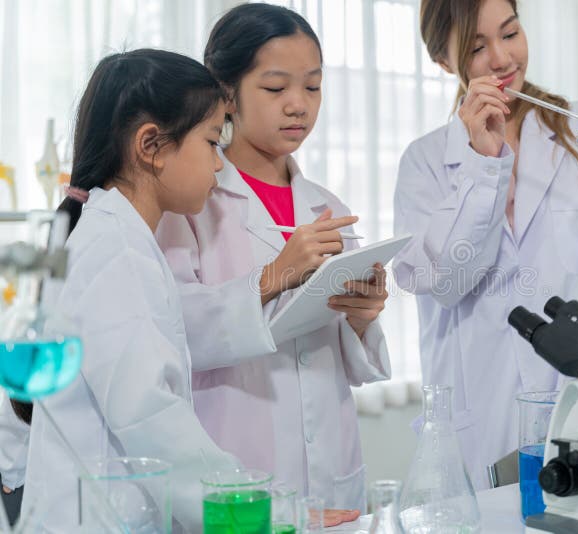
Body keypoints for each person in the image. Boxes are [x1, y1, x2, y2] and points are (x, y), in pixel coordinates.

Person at [392, 0, 578, 489]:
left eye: (511, 33)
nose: (503, 58)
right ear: (443, 59)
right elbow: (445, 283)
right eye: (477, 46)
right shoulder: (425, 163)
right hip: (483, 415)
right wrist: (485, 167)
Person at [156, 3, 389, 512]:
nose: (298, 106)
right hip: (235, 462)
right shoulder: (189, 203)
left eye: (312, 86)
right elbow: (168, 331)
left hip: (332, 466)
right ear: (227, 94)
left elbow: (344, 364)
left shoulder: (328, 208)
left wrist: (363, 317)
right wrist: (274, 276)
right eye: (275, 87)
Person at [21, 49, 240, 532]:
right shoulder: (114, 247)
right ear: (152, 146)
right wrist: (241, 504)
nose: (220, 164)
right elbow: (148, 413)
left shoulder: (117, 236)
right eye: (211, 141)